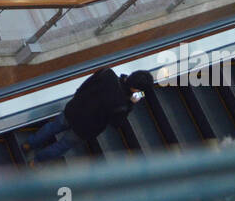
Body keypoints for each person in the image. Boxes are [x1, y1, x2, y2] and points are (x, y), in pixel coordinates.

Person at [24, 68, 154, 162]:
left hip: (73, 110)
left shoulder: (107, 74)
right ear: (136, 90)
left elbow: (86, 84)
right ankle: (37, 161)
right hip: (84, 129)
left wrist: (77, 98)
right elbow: (116, 123)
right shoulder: (122, 105)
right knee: (62, 145)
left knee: (52, 127)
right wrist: (131, 104)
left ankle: (29, 144)